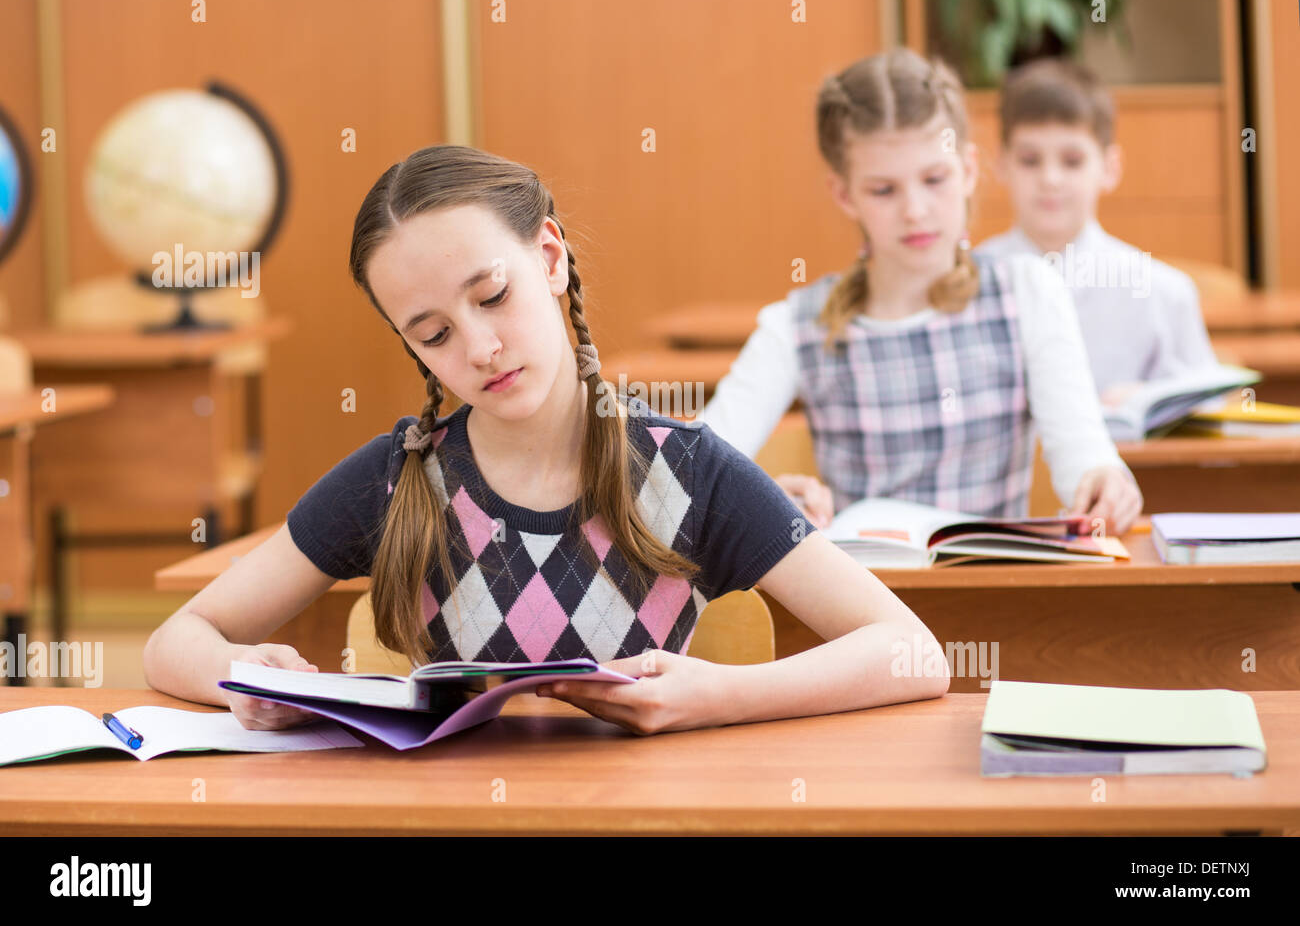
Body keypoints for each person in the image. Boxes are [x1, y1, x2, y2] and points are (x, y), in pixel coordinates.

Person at [143, 144, 949, 737]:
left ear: (550, 257)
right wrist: (238, 678)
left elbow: (911, 652)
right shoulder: (398, 479)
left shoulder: (685, 470)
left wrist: (717, 694)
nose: (480, 348)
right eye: (433, 334)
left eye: (493, 296)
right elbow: (175, 639)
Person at [697, 48, 1143, 534]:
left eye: (934, 179)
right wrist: (759, 500)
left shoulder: (1028, 291)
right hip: (861, 603)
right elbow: (689, 472)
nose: (915, 209)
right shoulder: (798, 324)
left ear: (969, 170)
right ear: (844, 194)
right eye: (884, 190)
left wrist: (1105, 479)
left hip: (995, 592)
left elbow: (1082, 451)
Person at [978, 58, 1218, 405]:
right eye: (1030, 160)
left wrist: (1149, 397)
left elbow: (1208, 403)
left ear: (1109, 167)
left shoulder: (1164, 293)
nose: (1050, 179)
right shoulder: (965, 285)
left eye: (1072, 161)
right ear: (1001, 164)